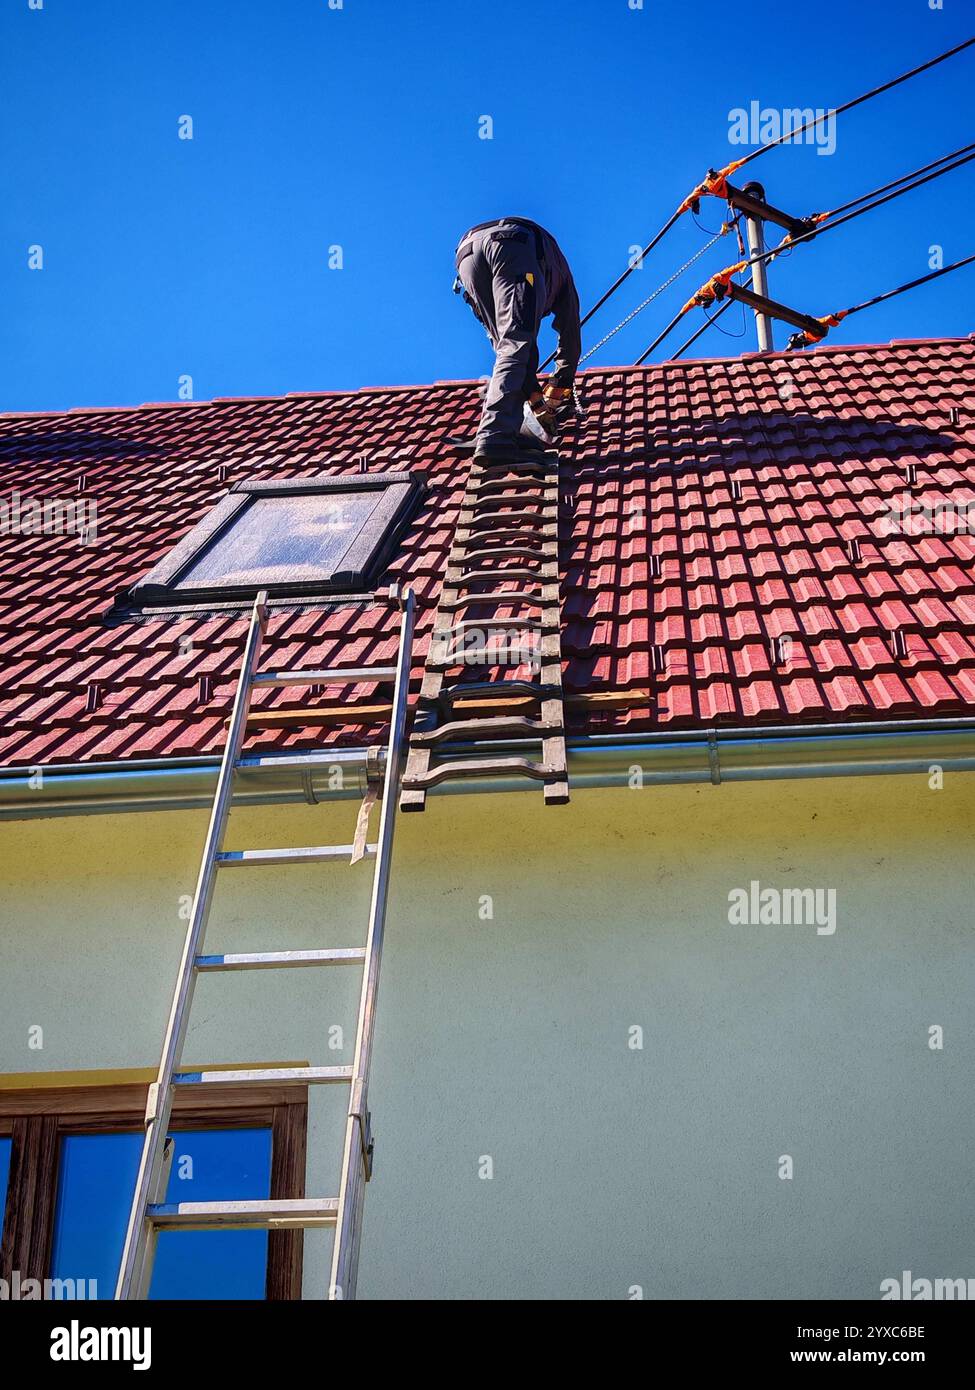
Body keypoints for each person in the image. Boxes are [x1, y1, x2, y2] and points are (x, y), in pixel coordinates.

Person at [453, 217, 581, 461]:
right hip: (513, 246)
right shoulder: (564, 283)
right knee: (515, 343)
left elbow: (513, 353)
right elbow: (570, 338)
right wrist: (560, 384)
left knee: (508, 346)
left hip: (466, 256)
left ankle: (496, 430)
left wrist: (534, 398)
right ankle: (494, 437)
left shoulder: (550, 279)